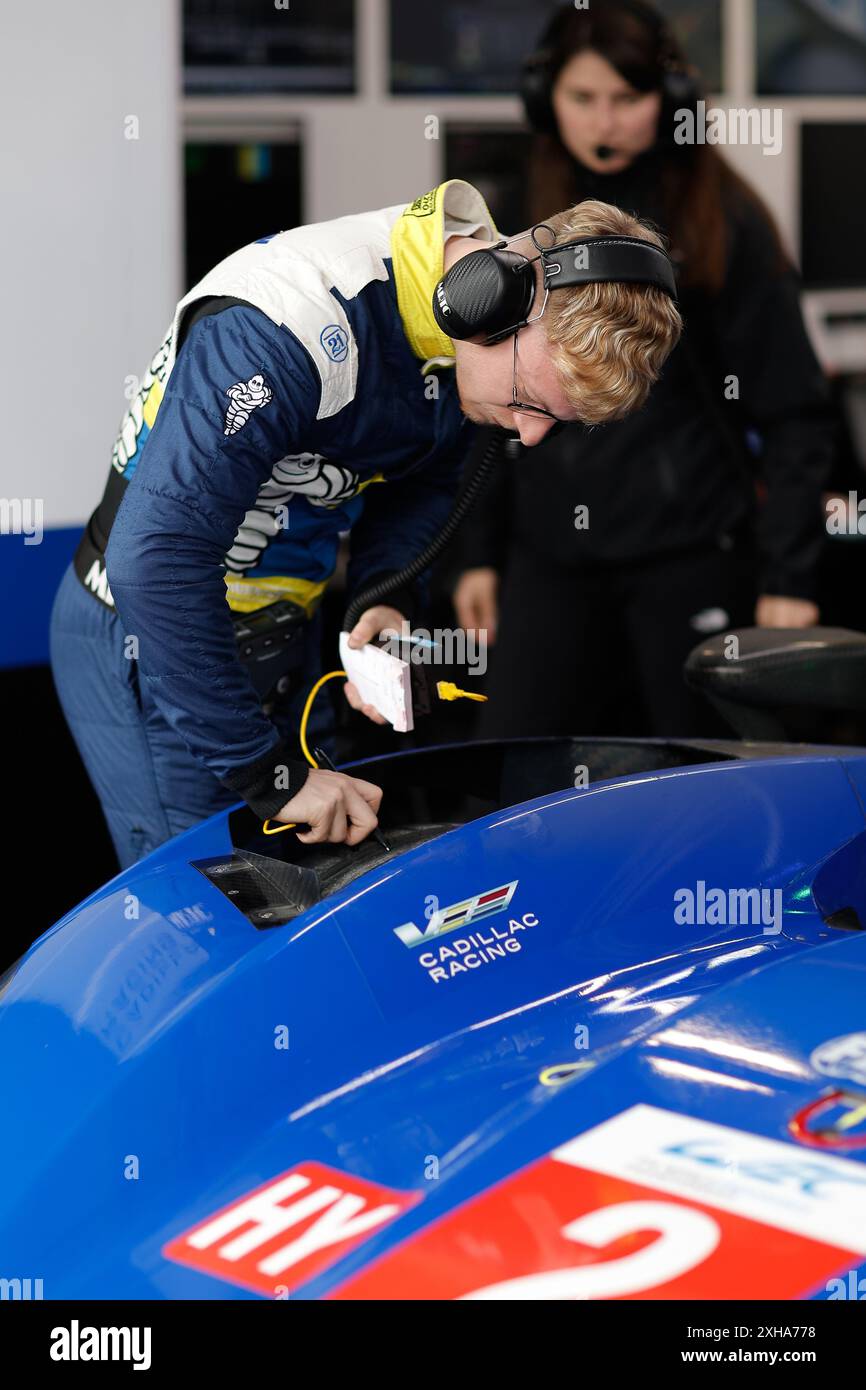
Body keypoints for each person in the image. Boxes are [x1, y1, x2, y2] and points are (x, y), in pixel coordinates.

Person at [49, 179, 681, 868]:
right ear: (486, 301)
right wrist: (270, 775)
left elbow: (429, 478)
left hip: (284, 636)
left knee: (323, 888)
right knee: (213, 916)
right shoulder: (282, 324)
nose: (529, 436)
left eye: (555, 421)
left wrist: (385, 594)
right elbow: (158, 560)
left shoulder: (469, 339)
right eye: (530, 401)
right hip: (155, 639)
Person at [454, 0, 837, 741]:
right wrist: (474, 557)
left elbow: (795, 410)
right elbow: (483, 393)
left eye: (627, 99)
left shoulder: (721, 219)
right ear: (545, 100)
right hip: (549, 559)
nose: (604, 122)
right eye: (583, 98)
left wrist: (790, 579)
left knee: (707, 777)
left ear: (671, 102)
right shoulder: (510, 217)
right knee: (512, 777)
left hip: (688, 556)